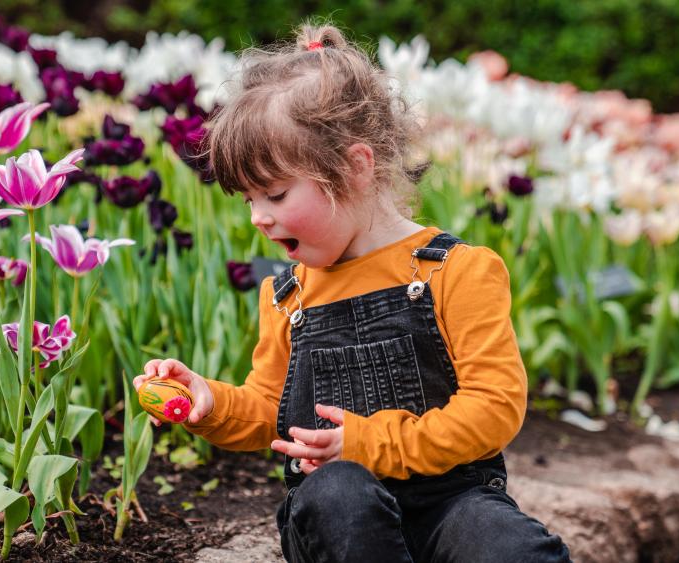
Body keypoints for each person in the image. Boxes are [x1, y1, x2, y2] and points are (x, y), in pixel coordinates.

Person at [134, 23, 571, 563]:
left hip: (452, 502)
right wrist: (210, 401)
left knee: (509, 546)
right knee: (339, 492)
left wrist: (371, 443)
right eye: (247, 199)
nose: (258, 218)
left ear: (356, 167)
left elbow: (494, 408)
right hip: (340, 524)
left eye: (273, 193)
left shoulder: (455, 271)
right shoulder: (291, 295)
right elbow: (271, 410)